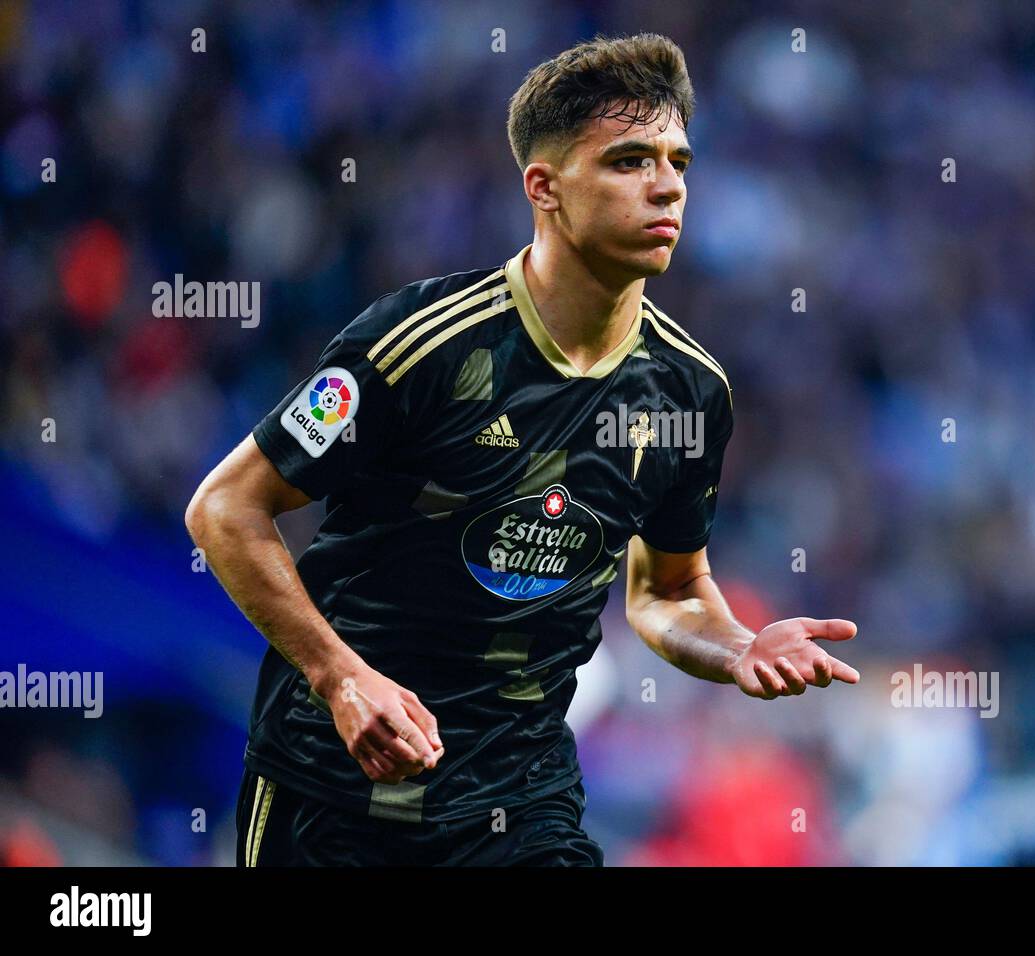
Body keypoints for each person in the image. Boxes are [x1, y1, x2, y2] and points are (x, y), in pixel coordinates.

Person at [185, 32, 860, 867]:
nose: (667, 187)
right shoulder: (418, 345)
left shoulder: (691, 392)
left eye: (679, 162)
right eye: (628, 161)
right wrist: (339, 675)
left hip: (517, 810)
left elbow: (672, 589)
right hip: (332, 791)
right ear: (544, 188)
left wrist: (736, 648)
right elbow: (225, 509)